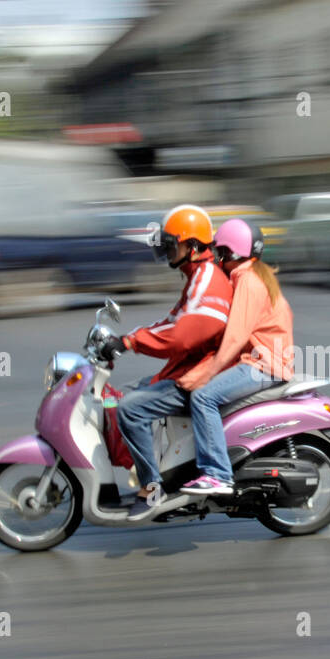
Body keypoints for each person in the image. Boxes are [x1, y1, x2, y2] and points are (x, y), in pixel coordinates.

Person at [106, 204, 232, 519]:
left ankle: (152, 489)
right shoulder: (195, 277)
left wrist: (130, 341)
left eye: (172, 243)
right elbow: (172, 321)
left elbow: (182, 335)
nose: (167, 250)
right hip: (188, 368)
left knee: (130, 409)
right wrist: (127, 339)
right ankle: (151, 467)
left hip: (201, 374)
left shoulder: (208, 281)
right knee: (125, 392)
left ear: (192, 246)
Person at [176, 218, 294, 495]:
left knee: (204, 397)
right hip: (263, 361)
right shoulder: (251, 275)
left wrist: (207, 372)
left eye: (220, 252)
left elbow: (236, 336)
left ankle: (217, 474)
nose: (217, 258)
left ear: (232, 253)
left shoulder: (249, 282)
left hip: (264, 366)